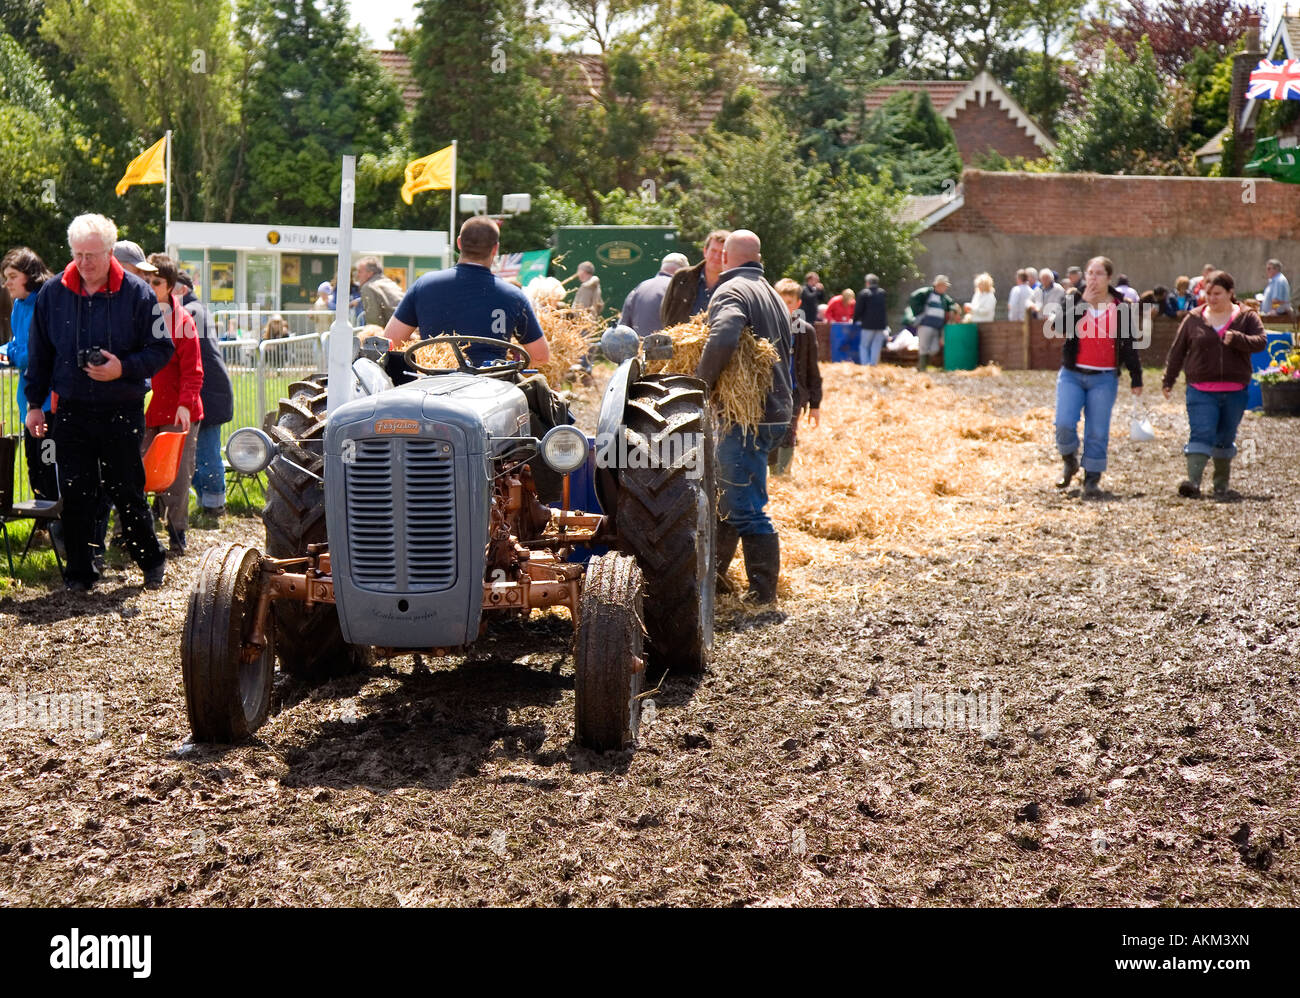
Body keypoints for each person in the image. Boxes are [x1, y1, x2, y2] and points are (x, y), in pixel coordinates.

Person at [24, 213, 173, 591]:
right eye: (78, 254)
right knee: (75, 489)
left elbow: (161, 349)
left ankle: (151, 560)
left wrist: (123, 367)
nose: (85, 263)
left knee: (126, 487)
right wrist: (34, 405)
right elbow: (39, 354)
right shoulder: (53, 294)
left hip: (121, 408)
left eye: (92, 255)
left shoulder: (138, 294)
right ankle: (80, 570)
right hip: (70, 409)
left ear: (109, 252)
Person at [698, 230, 793, 605]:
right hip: (775, 410)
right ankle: (716, 577)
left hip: (747, 415)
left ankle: (762, 594)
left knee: (747, 506)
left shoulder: (732, 290)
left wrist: (699, 385)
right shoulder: (771, 293)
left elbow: (723, 334)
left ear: (724, 258)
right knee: (728, 499)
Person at [383, 216, 550, 373]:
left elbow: (390, 340)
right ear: (495, 249)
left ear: (459, 243)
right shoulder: (514, 296)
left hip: (434, 386)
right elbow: (540, 356)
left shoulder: (424, 285)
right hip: (492, 389)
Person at [1162, 270, 1266, 499]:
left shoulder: (1247, 317)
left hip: (1235, 390)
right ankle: (1193, 481)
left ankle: (1221, 484)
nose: (1212, 298)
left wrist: (1238, 338)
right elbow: (1177, 351)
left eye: (1217, 293)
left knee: (1225, 436)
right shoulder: (1194, 318)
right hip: (1200, 389)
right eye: (1208, 293)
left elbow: (1261, 342)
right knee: (1201, 433)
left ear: (1231, 293)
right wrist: (1169, 379)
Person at [1053, 255, 1143, 498]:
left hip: (1104, 377)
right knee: (1063, 423)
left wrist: (1136, 377)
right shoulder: (1073, 298)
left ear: (1109, 278)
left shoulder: (1120, 306)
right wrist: (1083, 304)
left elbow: (1128, 345)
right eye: (1090, 273)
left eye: (1099, 273)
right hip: (1072, 373)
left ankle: (1091, 478)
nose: (1093, 278)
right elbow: (1058, 327)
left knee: (1097, 431)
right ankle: (1069, 460)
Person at [143, 254, 204, 557]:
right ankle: (134, 530)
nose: (149, 286)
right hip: (154, 408)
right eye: (146, 281)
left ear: (169, 286)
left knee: (177, 476)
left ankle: (177, 533)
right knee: (140, 467)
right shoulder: (144, 316)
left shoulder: (184, 322)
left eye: (155, 282)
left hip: (181, 410)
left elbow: (194, 371)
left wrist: (185, 405)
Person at [1, 248, 58, 504]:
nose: (7, 283)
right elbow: (16, 345)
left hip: (50, 402)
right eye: (5, 276)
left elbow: (33, 355)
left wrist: (10, 354)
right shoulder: (18, 306)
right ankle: (41, 526)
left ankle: (59, 522)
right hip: (27, 401)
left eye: (12, 276)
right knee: (32, 463)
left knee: (49, 463)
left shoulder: (44, 303)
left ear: (29, 275)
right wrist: (8, 352)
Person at [179, 272, 234, 522]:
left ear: (179, 289)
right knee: (203, 449)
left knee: (206, 450)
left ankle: (214, 505)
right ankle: (208, 502)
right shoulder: (197, 308)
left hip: (208, 392)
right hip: (212, 390)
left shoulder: (190, 311)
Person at [771, 278, 823, 475]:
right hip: (769, 390)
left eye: (789, 302)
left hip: (793, 391)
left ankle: (782, 474)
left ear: (798, 304)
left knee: (788, 431)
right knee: (768, 432)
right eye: (780, 301)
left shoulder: (805, 332)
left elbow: (812, 370)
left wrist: (815, 404)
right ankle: (768, 471)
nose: (785, 307)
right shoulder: (765, 327)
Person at [661, 230, 731, 326]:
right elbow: (665, 312)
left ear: (728, 256)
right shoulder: (682, 277)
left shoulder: (733, 284)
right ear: (705, 251)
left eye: (721, 253)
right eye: (713, 251)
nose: (716, 256)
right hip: (680, 339)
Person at [620, 252, 688, 336]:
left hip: (640, 347)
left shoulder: (639, 288)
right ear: (683, 272)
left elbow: (623, 328)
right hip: (668, 346)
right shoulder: (679, 290)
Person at [905, 276, 960, 371]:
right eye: (943, 286)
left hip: (937, 327)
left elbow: (952, 304)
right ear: (937, 285)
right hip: (925, 325)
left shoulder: (944, 298)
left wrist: (952, 310)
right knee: (923, 346)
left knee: (935, 349)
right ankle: (922, 368)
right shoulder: (927, 293)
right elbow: (914, 297)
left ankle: (925, 364)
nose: (944, 288)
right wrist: (919, 311)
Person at [357, 256, 404, 329]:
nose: (357, 275)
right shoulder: (390, 283)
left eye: (360, 271)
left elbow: (374, 324)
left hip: (395, 332)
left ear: (370, 273)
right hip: (410, 331)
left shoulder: (368, 287)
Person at [855, 274, 890, 365]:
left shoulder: (864, 293)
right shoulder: (882, 293)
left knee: (864, 345)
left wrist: (855, 320)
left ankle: (865, 364)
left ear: (867, 283)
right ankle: (873, 364)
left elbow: (859, 309)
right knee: (876, 345)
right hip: (881, 324)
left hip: (867, 324)